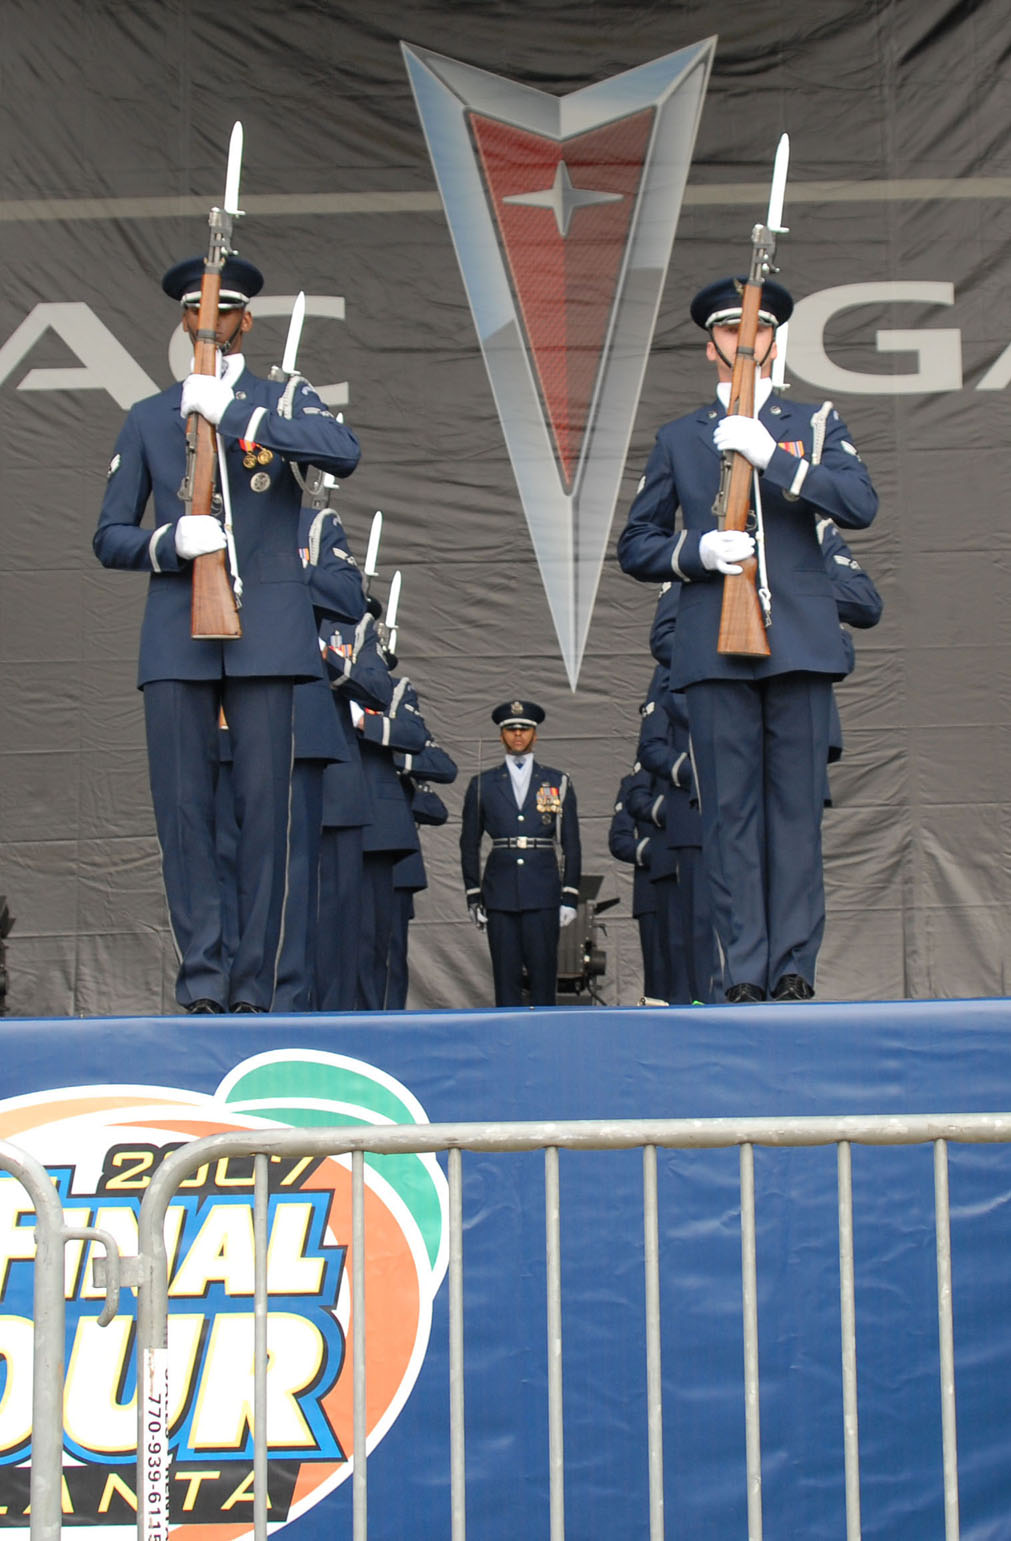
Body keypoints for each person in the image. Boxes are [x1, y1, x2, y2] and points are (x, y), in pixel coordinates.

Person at [93, 253, 361, 1014]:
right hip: (178, 631)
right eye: (196, 313)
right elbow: (109, 533)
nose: (209, 324)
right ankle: (203, 984)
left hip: (265, 632)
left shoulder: (277, 402)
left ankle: (256, 989)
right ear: (183, 321)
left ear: (246, 322)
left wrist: (237, 415)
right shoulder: (149, 416)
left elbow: (344, 452)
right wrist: (166, 543)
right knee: (183, 815)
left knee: (266, 818)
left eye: (224, 313)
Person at [617, 276, 878, 1003]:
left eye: (755, 330)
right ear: (712, 348)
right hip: (713, 642)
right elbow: (635, 544)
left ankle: (792, 965)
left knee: (793, 814)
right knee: (729, 816)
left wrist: (776, 459)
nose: (742, 342)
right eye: (729, 332)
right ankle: (742, 970)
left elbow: (859, 503)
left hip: (797, 641)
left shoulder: (815, 421)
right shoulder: (678, 437)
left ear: (771, 342)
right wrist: (696, 552)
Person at [460, 701, 581, 1007]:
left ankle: (546, 1040)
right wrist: (473, 894)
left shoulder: (557, 781)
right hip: (499, 890)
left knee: (544, 975)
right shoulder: (482, 785)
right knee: (505, 976)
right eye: (511, 730)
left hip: (542, 888)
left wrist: (569, 895)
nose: (517, 735)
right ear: (501, 735)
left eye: (524, 729)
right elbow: (468, 843)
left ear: (535, 735)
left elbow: (571, 844)